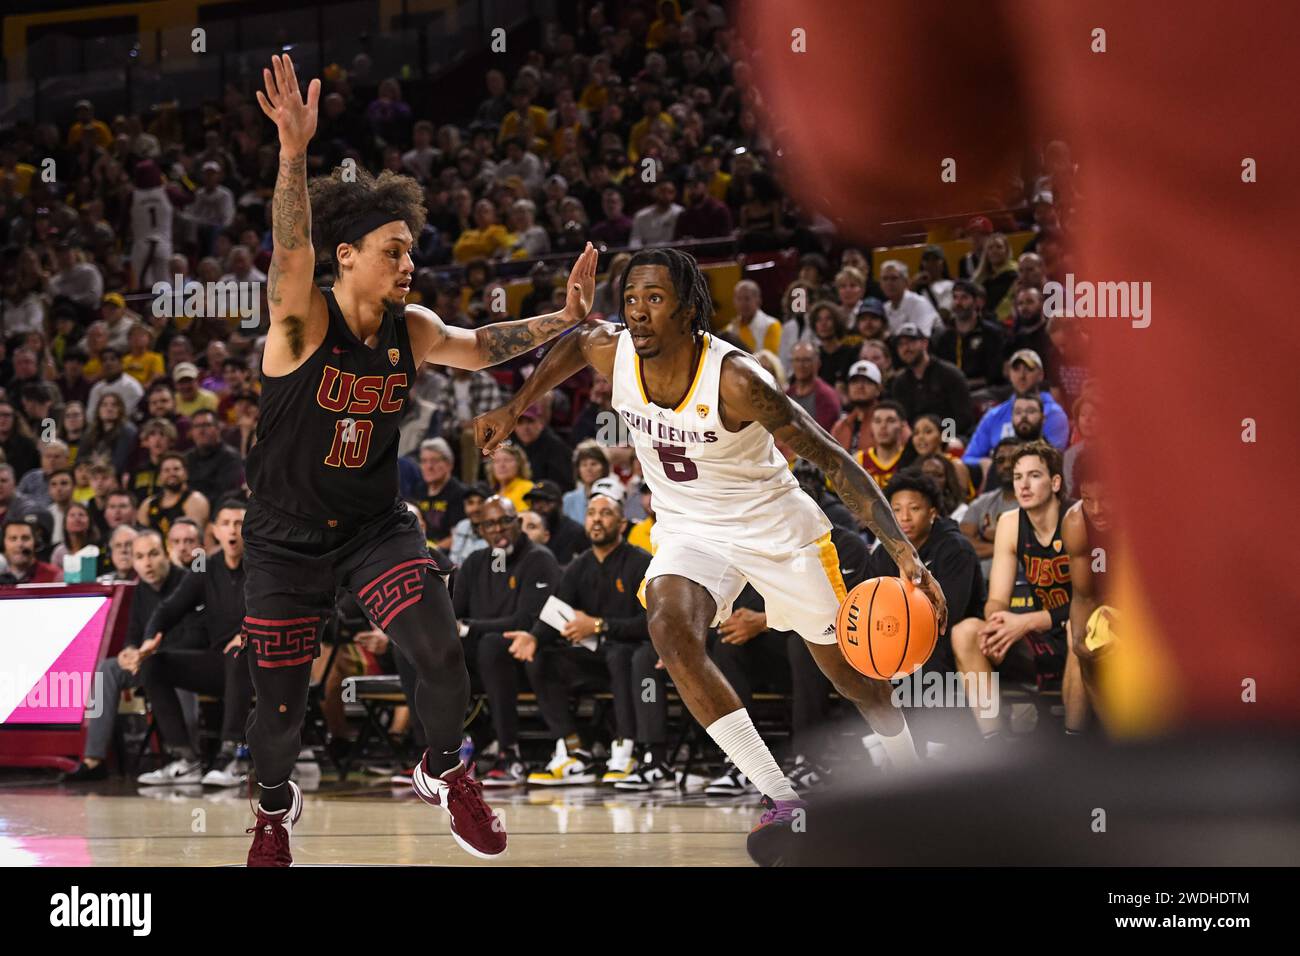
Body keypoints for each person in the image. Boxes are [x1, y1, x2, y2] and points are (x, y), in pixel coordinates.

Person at [237, 54, 598, 865]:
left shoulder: (416, 328)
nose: (410, 263)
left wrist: (563, 318)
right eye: (394, 251)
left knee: (439, 648)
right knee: (279, 715)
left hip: (371, 527)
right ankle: (271, 807)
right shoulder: (300, 317)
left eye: (411, 251)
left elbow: (480, 347)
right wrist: (293, 151)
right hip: (282, 535)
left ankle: (443, 771)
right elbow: (288, 243)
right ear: (346, 258)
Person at [474, 246, 946, 866]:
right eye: (632, 300)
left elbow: (832, 458)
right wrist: (517, 404)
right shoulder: (613, 350)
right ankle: (782, 797)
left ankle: (914, 782)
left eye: (655, 300)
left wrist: (902, 552)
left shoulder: (737, 380)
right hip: (690, 529)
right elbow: (577, 340)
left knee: (853, 674)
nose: (638, 314)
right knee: (669, 628)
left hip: (777, 532)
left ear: (689, 307)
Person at [504, 491, 661, 787]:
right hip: (593, 659)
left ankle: (625, 749)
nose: (597, 520)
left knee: (621, 655)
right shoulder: (579, 565)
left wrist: (599, 625)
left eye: (606, 513)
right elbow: (555, 611)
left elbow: (651, 623)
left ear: (622, 523)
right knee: (540, 658)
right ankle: (573, 749)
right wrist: (534, 638)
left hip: (630, 658)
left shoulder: (642, 562)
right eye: (591, 513)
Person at [949, 440, 1074, 739]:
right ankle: (994, 740)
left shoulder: (1075, 519)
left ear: (1055, 482)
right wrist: (998, 622)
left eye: (1034, 476)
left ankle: (1077, 737)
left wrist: (1026, 621)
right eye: (1018, 477)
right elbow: (997, 599)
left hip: (1077, 629)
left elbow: (1089, 602)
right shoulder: (1010, 522)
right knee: (966, 632)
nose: (1024, 485)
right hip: (1041, 635)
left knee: (1076, 628)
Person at [62, 529, 200, 782]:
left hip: (183, 663)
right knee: (108, 668)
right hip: (148, 662)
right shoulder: (140, 590)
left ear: (167, 553)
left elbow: (196, 636)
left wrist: (151, 652)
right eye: (139, 556)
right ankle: (94, 760)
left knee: (173, 672)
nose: (147, 563)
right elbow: (133, 634)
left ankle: (189, 759)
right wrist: (129, 652)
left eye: (153, 554)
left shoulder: (187, 582)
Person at [135, 501, 252, 786]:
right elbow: (168, 609)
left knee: (238, 652)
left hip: (260, 664)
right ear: (214, 531)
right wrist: (150, 640)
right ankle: (185, 759)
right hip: (218, 664)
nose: (233, 530)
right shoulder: (206, 568)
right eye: (226, 524)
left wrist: (249, 632)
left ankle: (230, 757)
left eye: (239, 523)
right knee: (152, 664)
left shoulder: (263, 566)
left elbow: (279, 609)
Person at [452, 496, 563, 787]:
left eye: (505, 521)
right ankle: (443, 751)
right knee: (429, 652)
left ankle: (509, 752)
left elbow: (527, 620)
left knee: (490, 645)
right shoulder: (475, 562)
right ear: (481, 531)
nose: (498, 529)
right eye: (489, 524)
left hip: (527, 656)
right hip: (481, 657)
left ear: (517, 523)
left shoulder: (539, 559)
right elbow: (454, 615)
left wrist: (468, 628)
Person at [1062, 450, 1115, 731]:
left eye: (1106, 498)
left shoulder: (1147, 519)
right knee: (1085, 649)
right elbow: (1083, 595)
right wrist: (1080, 641)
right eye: (1088, 499)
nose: (1096, 509)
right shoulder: (1076, 523)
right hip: (1107, 606)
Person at [888, 322, 974, 436]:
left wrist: (943, 437)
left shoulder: (950, 374)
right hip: (916, 439)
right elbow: (902, 419)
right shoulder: (899, 383)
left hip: (950, 436)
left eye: (911, 342)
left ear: (924, 343)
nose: (906, 348)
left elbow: (963, 416)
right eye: (901, 345)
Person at [137, 452, 210, 534]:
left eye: (176, 469)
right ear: (160, 476)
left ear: (186, 473)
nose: (172, 473)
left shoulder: (195, 500)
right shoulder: (148, 504)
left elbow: (194, 537)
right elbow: (142, 536)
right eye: (166, 470)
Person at [522, 480, 589, 565]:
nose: (537, 507)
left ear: (559, 504)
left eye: (545, 502)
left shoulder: (576, 532)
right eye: (534, 502)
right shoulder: (524, 533)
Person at [0, 517, 63, 584]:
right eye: (13, 539)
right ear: (3, 544)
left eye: (25, 538)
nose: (19, 544)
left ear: (35, 543)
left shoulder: (55, 576)